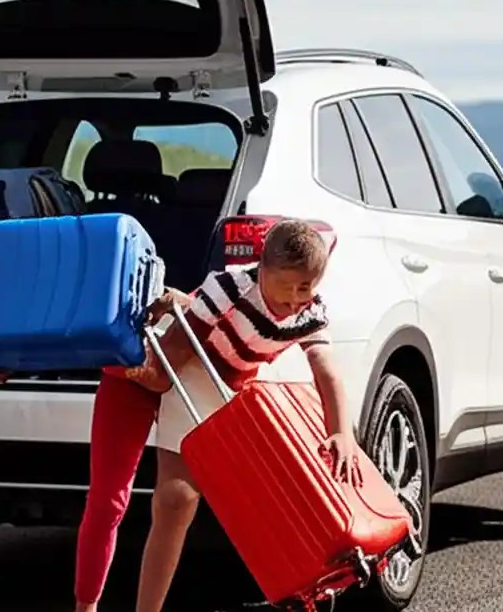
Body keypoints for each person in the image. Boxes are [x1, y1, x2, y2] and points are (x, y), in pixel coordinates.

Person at [70, 218, 363, 612]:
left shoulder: (309, 312)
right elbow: (164, 369)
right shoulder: (228, 289)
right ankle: (85, 606)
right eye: (287, 285)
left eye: (306, 287)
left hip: (207, 373)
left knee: (177, 501)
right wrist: (131, 364)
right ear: (261, 271)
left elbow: (325, 369)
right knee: (110, 500)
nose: (296, 298)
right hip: (166, 361)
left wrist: (341, 431)